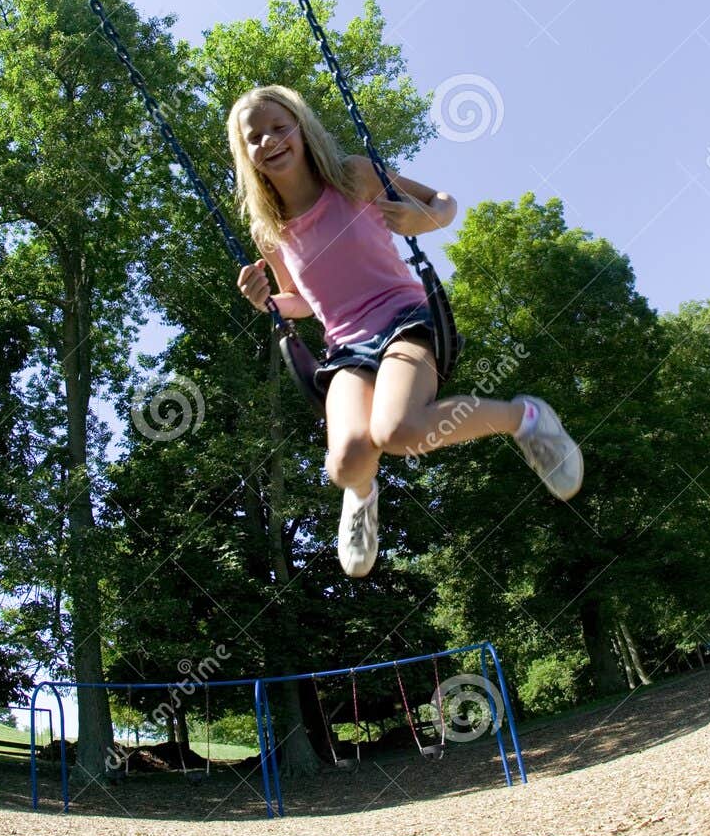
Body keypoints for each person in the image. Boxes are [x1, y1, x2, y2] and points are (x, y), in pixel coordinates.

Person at [228, 85, 583, 579]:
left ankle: (525, 419)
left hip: (404, 320)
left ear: (302, 130)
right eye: (254, 137)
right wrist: (266, 299)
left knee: (398, 432)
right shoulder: (270, 231)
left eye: (278, 127)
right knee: (347, 462)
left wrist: (424, 218)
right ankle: (362, 495)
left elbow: (443, 202)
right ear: (244, 154)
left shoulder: (354, 176)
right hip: (347, 347)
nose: (268, 141)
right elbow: (302, 302)